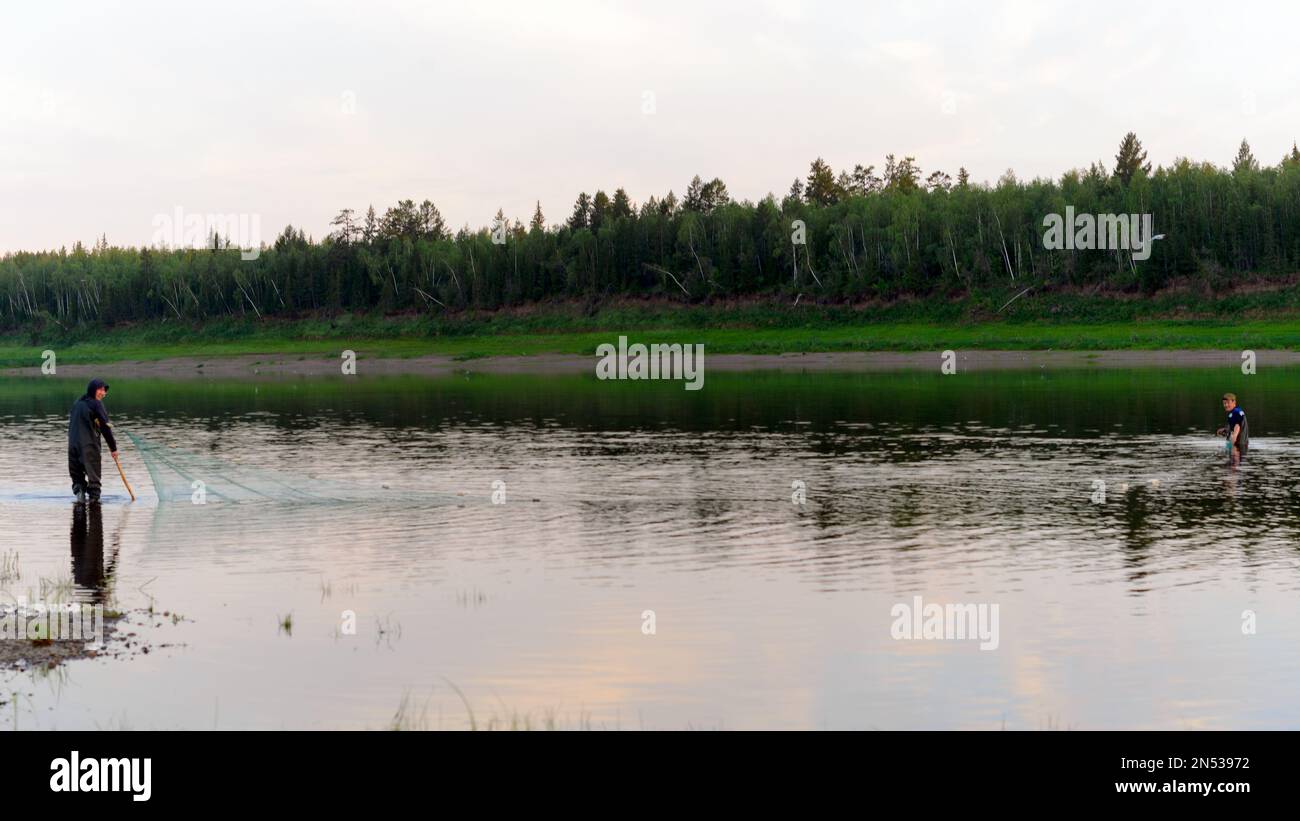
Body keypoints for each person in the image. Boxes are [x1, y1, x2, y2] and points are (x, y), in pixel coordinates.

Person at [68, 378, 118, 503]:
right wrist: (113, 448)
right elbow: (106, 428)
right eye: (100, 390)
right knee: (94, 482)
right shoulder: (96, 404)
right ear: (93, 390)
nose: (103, 393)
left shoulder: (77, 403)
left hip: (73, 447)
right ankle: (94, 507)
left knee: (78, 480)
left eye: (104, 391)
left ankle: (80, 505)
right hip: (88, 447)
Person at [1215, 392, 1248, 460]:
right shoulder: (1236, 411)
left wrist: (1234, 438)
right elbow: (1237, 425)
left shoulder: (1235, 413)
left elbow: (1237, 426)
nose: (1226, 405)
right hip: (1241, 445)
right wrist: (1225, 430)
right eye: (1224, 403)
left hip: (1238, 446)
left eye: (1228, 403)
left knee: (1234, 464)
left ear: (1234, 402)